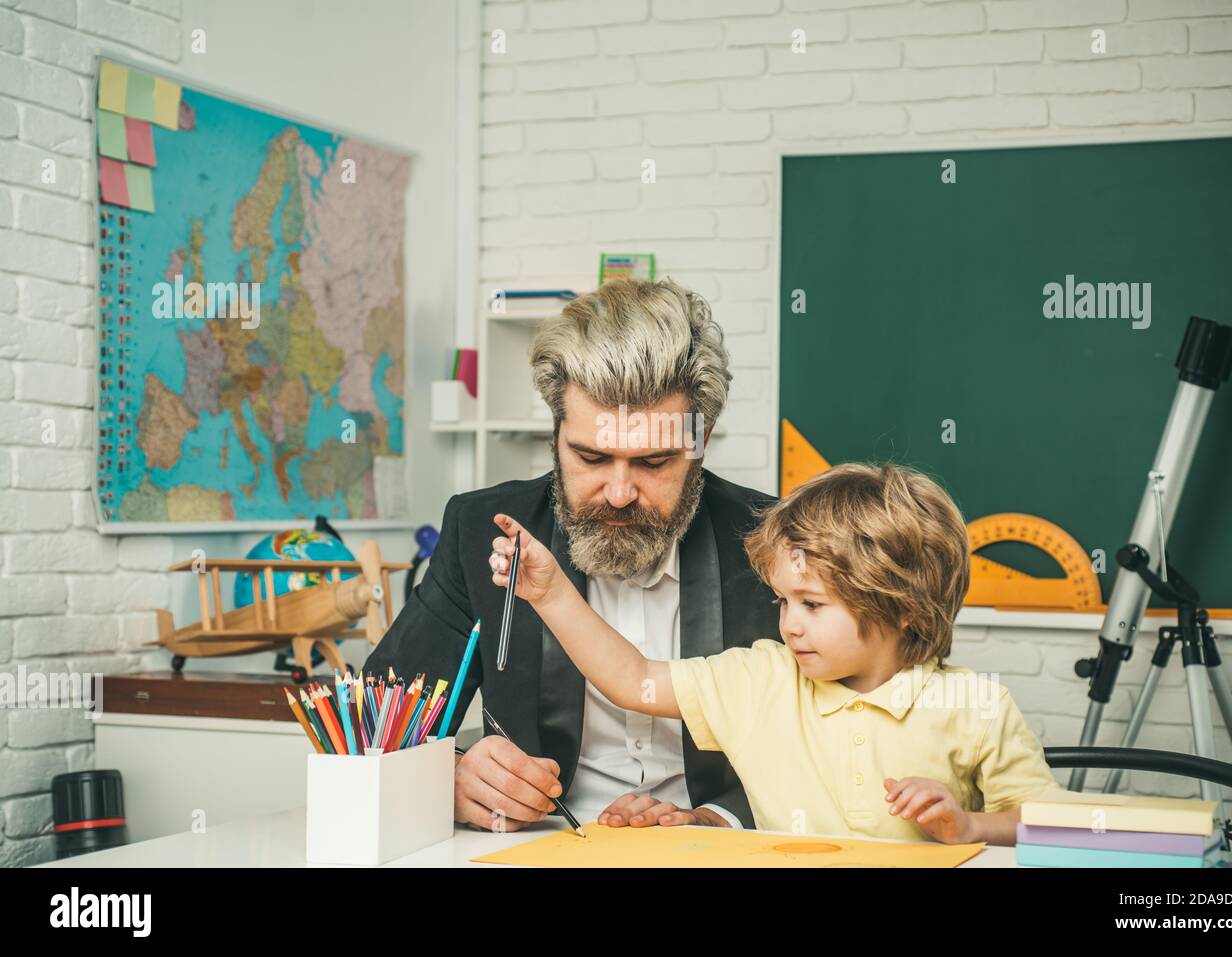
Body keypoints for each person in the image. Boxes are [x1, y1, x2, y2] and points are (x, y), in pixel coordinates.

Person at [364, 277, 779, 832]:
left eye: (654, 463)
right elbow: (373, 718)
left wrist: (719, 821)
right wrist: (449, 774)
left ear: (700, 444)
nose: (619, 492)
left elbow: (849, 738)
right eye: (590, 456)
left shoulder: (776, 542)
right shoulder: (480, 530)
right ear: (556, 433)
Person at [485, 462, 1062, 843]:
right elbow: (632, 678)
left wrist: (968, 825)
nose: (788, 624)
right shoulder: (760, 678)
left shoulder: (978, 706)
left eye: (812, 604)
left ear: (900, 607)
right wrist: (553, 592)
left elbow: (1047, 825)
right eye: (783, 601)